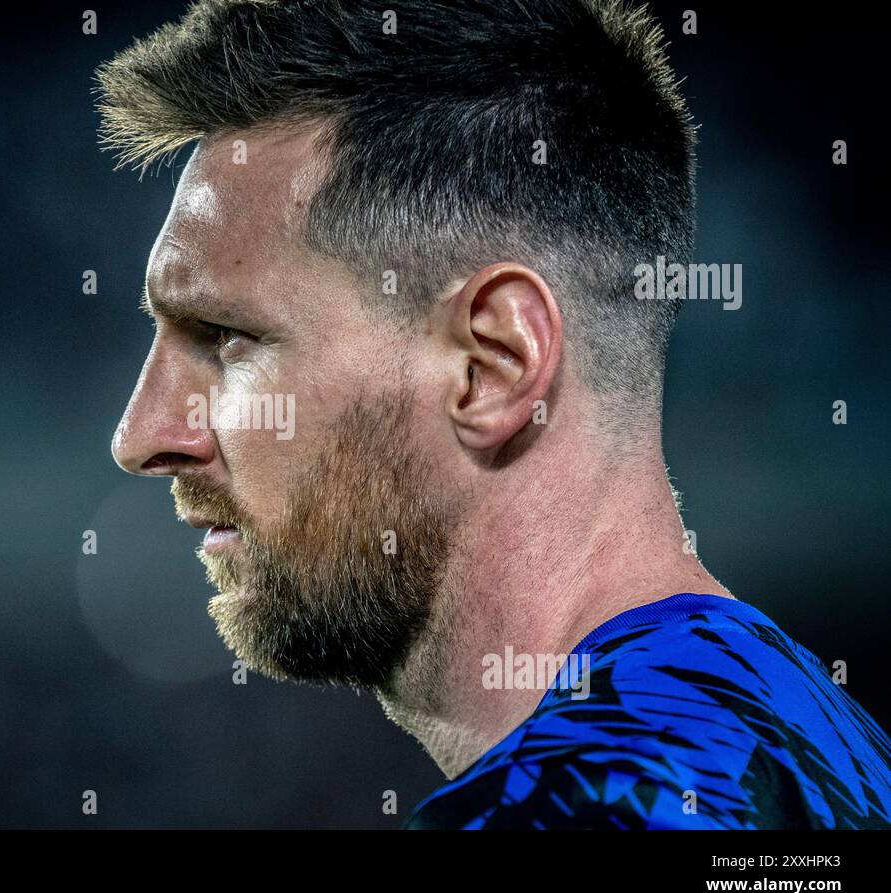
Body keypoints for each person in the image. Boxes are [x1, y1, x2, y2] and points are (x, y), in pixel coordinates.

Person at [96, 0, 891, 828]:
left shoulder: (565, 810)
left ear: (494, 367)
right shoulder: (823, 742)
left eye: (224, 335)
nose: (142, 436)